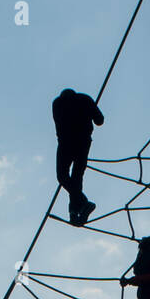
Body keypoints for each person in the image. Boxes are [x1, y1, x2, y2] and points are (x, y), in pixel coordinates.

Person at [52, 88, 104, 225]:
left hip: (66, 143)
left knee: (63, 176)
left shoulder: (57, 104)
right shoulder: (84, 99)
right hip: (82, 142)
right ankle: (78, 208)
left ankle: (77, 209)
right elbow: (99, 121)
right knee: (76, 177)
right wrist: (89, 110)